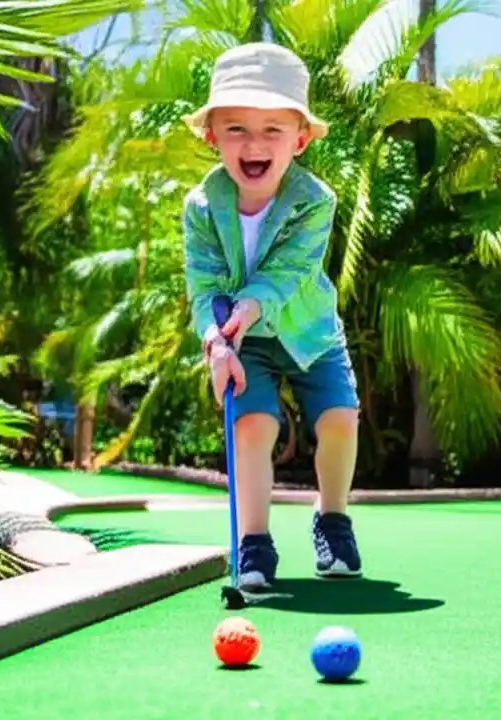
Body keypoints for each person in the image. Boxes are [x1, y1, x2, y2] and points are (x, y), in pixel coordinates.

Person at [181, 42, 362, 591]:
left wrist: (250, 304)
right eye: (235, 129)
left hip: (308, 329)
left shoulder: (316, 201)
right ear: (211, 135)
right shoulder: (201, 207)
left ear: (300, 139)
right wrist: (216, 342)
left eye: (272, 130)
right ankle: (254, 542)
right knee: (252, 425)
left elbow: (291, 270)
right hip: (244, 342)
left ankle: (332, 517)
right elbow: (203, 284)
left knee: (339, 419)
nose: (253, 144)